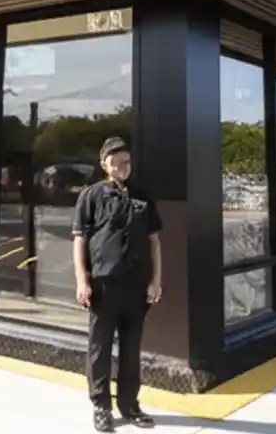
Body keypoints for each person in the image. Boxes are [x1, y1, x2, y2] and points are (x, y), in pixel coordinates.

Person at [72, 137, 163, 431]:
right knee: (99, 349)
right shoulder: (91, 196)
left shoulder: (144, 196)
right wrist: (82, 280)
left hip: (136, 287)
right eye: (115, 162)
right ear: (104, 164)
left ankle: (129, 404)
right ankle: (101, 406)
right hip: (103, 286)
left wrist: (156, 280)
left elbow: (155, 242)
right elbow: (79, 240)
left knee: (131, 348)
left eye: (126, 162)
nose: (122, 167)